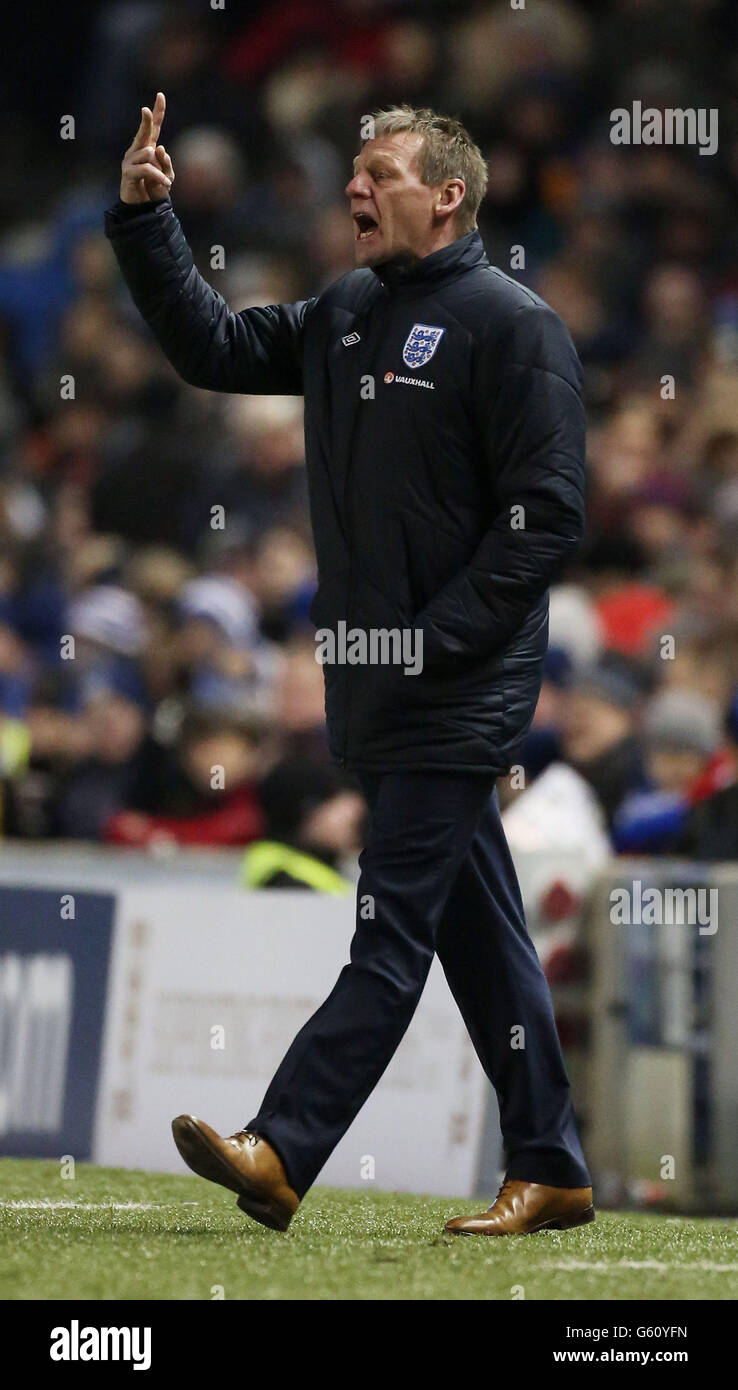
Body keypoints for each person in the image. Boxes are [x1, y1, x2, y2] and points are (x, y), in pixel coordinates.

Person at [105, 93, 593, 1237]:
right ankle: (552, 1162)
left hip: (458, 688)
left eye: (379, 171)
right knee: (482, 936)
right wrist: (148, 222)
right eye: (354, 171)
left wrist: (437, 639)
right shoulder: (347, 308)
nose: (354, 189)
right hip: (377, 685)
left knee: (389, 931)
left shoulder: (515, 325)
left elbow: (547, 516)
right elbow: (213, 348)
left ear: (450, 193)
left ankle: (283, 1143)